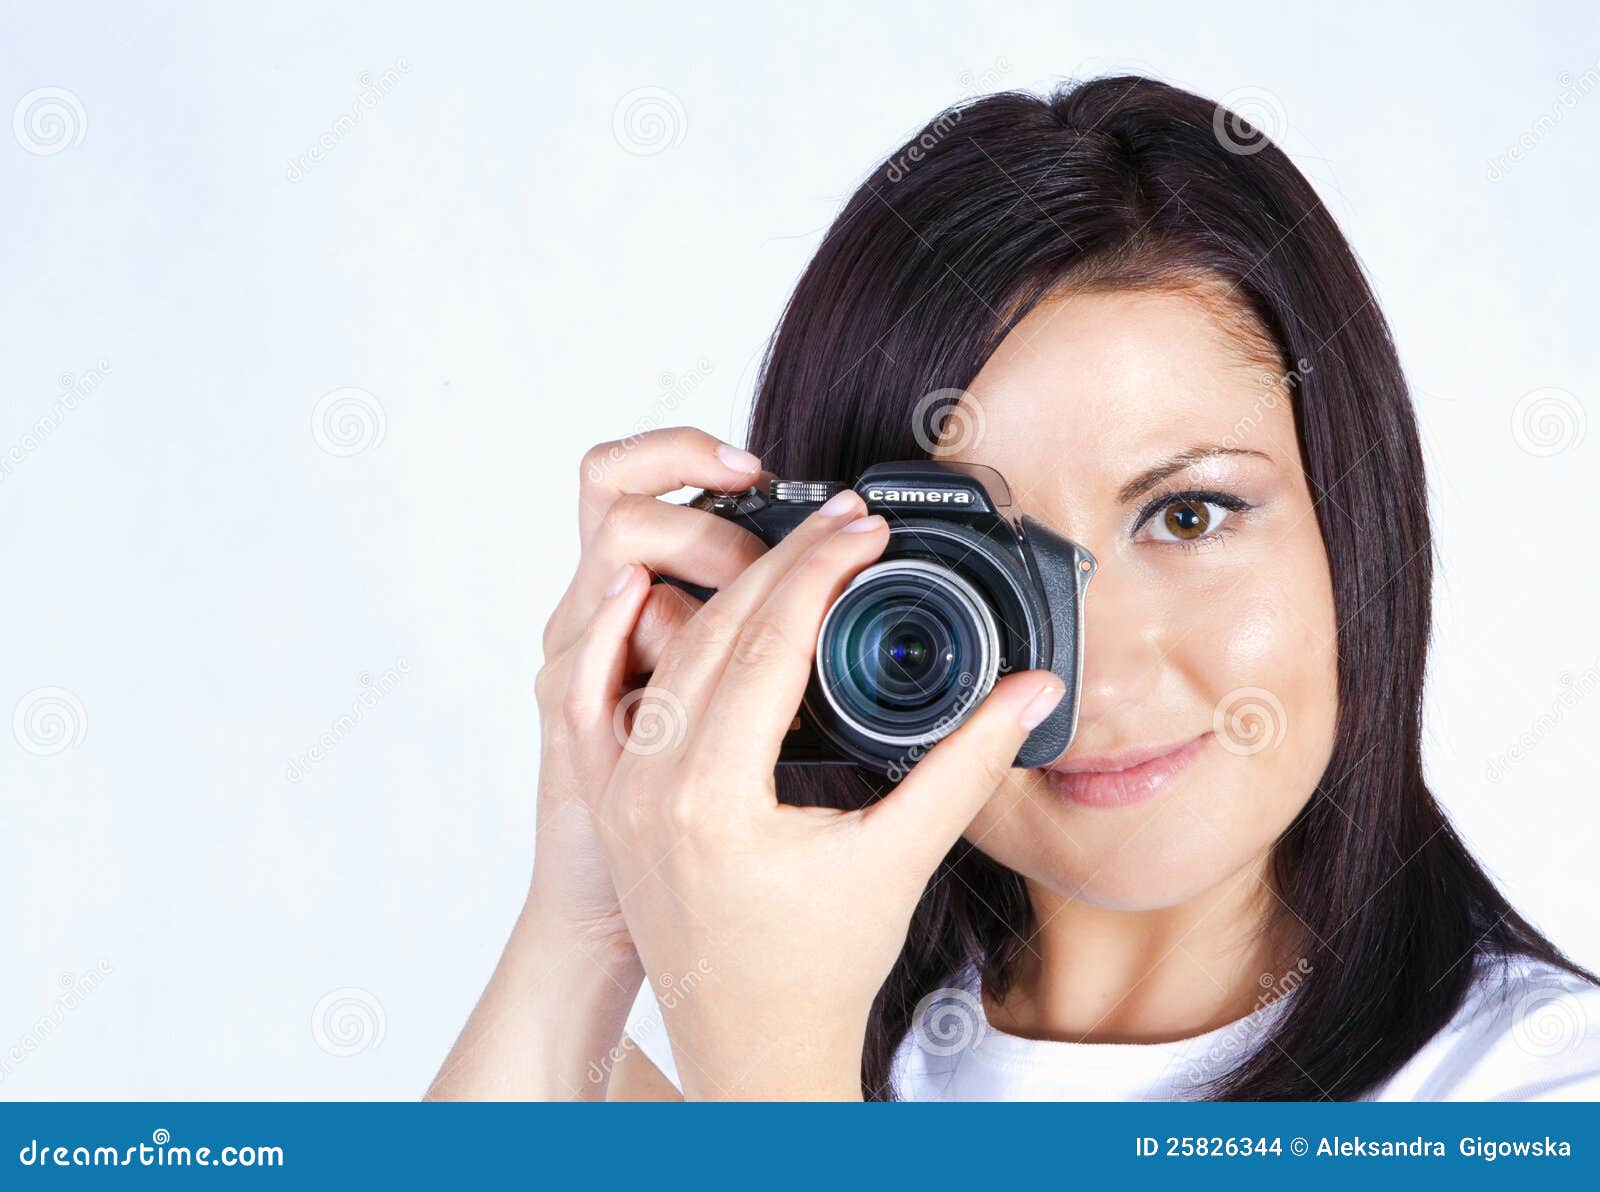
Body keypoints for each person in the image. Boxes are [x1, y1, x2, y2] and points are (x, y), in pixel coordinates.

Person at [428, 76, 1600, 1102]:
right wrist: (592, 890)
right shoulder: (777, 1039)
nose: (1098, 673)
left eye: (1187, 514)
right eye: (988, 565)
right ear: (813, 607)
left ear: (1356, 526)